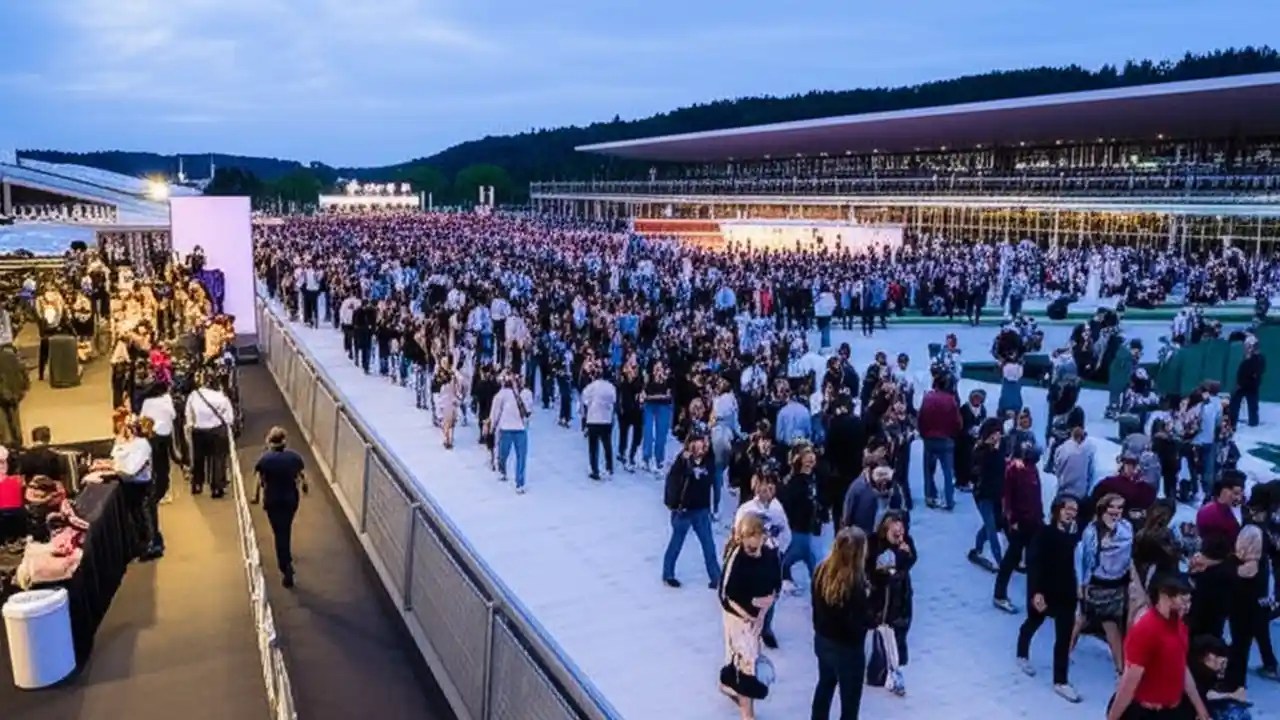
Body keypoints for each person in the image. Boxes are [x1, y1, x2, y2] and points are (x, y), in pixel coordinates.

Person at [1107, 573, 1210, 720]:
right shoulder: (1146, 630)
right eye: (1183, 600)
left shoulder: (1181, 626)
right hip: (1147, 713)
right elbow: (1130, 681)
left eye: (1189, 601)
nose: (1188, 607)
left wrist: (1200, 709)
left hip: (1172, 711)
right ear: (1166, 596)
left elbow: (1181, 667)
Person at [1016, 494, 1082, 703]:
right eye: (1067, 508)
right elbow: (1035, 563)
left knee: (1063, 636)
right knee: (1034, 621)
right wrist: (1036, 592)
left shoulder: (1077, 536)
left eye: (1074, 510)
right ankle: (1022, 653)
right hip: (1045, 590)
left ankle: (1060, 680)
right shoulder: (1044, 533)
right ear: (1057, 510)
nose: (1071, 513)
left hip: (1067, 592)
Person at [718, 513, 781, 720]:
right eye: (750, 548)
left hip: (758, 615)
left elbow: (776, 583)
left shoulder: (770, 551)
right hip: (738, 616)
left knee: (747, 659)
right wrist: (749, 613)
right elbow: (725, 594)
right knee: (746, 662)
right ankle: (747, 714)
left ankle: (728, 683)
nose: (755, 552)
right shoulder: (736, 556)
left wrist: (763, 610)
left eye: (759, 545)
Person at [810, 526, 870, 720]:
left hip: (823, 641)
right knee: (850, 702)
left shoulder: (821, 571)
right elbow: (859, 623)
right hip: (848, 650)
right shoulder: (856, 585)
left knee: (825, 685)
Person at [1076, 492, 1134, 677]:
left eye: (1120, 507)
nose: (1116, 511)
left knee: (1109, 624)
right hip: (1096, 584)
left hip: (1116, 585)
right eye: (1113, 507)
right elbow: (1085, 561)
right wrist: (1082, 586)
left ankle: (1121, 667)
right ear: (1103, 508)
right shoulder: (1091, 531)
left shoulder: (1126, 527)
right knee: (1081, 620)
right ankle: (1062, 655)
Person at [662, 429, 719, 588]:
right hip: (684, 510)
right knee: (676, 542)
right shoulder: (681, 461)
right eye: (699, 442)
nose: (702, 446)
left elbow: (711, 480)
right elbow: (673, 484)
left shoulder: (709, 460)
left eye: (705, 442)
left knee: (708, 544)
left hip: (701, 509)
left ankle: (716, 577)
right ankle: (668, 573)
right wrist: (674, 506)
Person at [252, 426, 307, 588]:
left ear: (269, 441)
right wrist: (304, 487)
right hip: (290, 499)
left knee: (278, 532)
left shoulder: (265, 460)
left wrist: (255, 497)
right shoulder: (294, 458)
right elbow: (302, 476)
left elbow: (258, 480)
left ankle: (285, 565)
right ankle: (286, 558)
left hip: (272, 500)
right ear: (284, 441)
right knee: (286, 527)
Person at [111, 410, 154, 558]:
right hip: (129, 485)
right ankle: (138, 544)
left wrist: (116, 468)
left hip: (139, 486)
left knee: (140, 516)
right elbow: (115, 456)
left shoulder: (142, 445)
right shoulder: (129, 442)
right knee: (134, 516)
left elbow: (130, 470)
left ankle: (147, 545)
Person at [185, 373, 235, 497]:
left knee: (198, 458)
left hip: (199, 431)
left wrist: (191, 424)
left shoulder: (195, 395)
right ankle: (217, 487)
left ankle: (197, 484)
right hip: (216, 431)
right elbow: (229, 418)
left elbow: (188, 413)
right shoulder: (222, 397)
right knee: (218, 459)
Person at [490, 371, 533, 493]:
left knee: (521, 456)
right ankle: (502, 470)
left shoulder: (526, 393)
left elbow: (528, 411)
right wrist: (493, 424)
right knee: (504, 454)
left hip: (520, 428)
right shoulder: (503, 394)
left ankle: (520, 482)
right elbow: (496, 410)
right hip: (507, 427)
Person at [581, 366, 617, 481]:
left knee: (593, 446)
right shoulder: (611, 387)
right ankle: (609, 468)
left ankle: (595, 470)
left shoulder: (590, 387)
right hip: (606, 419)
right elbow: (614, 401)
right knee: (607, 444)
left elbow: (585, 402)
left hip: (593, 419)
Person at [0, 343, 29, 446]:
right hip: (14, 393)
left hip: (3, 393)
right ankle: (17, 441)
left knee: (3, 421)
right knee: (15, 419)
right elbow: (24, 373)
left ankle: (8, 443)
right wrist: (23, 390)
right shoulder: (14, 356)